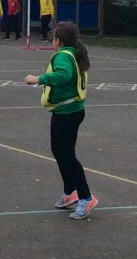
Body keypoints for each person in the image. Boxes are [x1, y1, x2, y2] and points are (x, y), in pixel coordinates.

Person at [24, 21, 96, 220]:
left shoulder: (63, 56)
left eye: (54, 37)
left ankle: (85, 196)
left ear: (58, 41)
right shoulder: (74, 53)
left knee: (66, 155)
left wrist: (38, 79)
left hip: (67, 111)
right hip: (70, 109)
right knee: (60, 151)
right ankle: (70, 192)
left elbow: (63, 76)